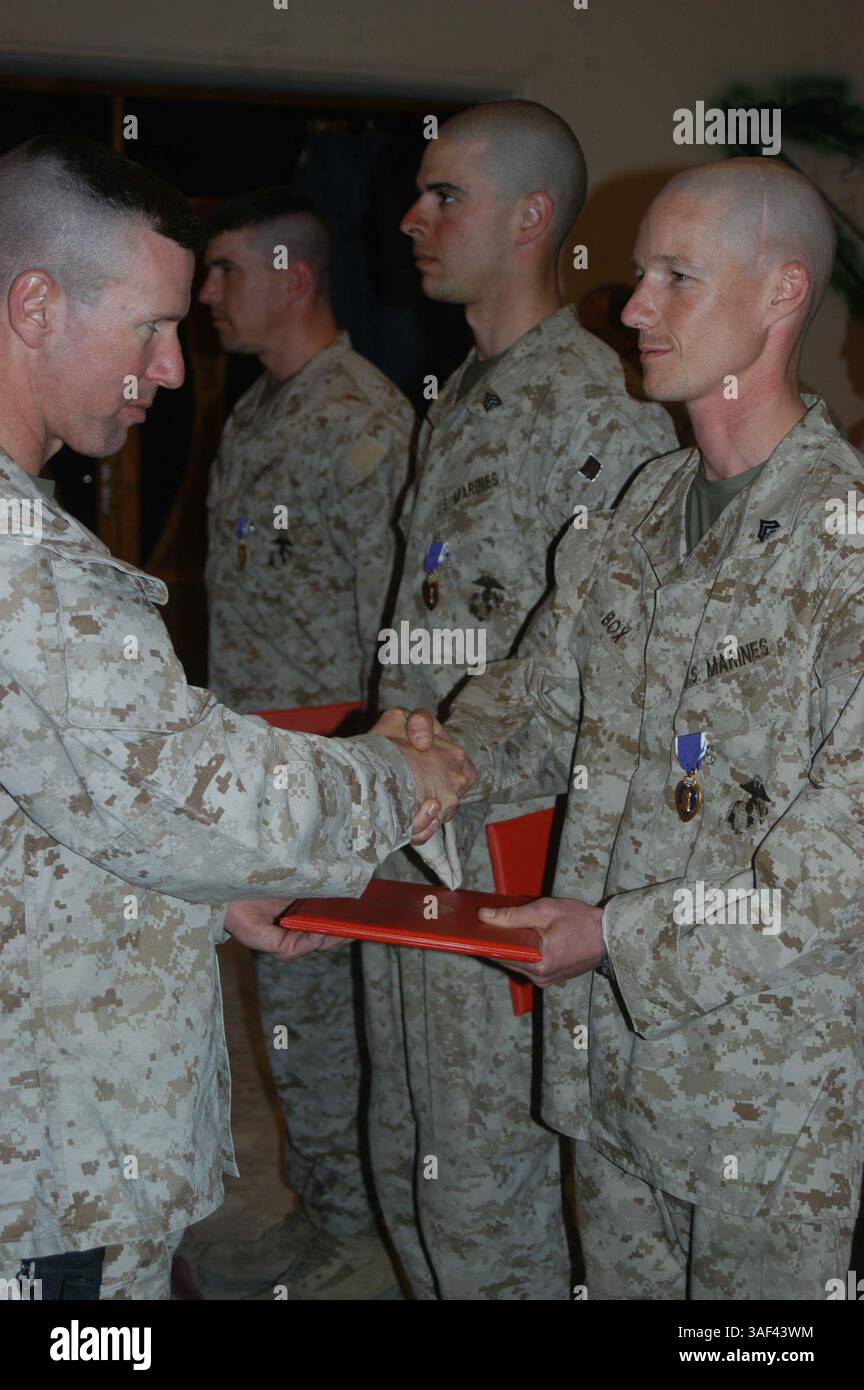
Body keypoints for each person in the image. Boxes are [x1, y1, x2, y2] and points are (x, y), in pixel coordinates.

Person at [0, 134, 468, 1301]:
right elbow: (185, 789)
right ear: (36, 304)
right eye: (150, 326)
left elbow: (52, 827)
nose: (168, 366)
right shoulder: (25, 572)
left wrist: (203, 892)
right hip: (53, 1181)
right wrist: (395, 777)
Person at [409, 156, 863, 1300]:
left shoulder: (844, 550)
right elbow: (535, 706)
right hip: (607, 1068)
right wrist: (413, 760)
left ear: (781, 295)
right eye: (637, 275)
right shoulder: (635, 519)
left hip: (764, 1102)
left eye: (675, 276)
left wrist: (612, 936)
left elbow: (830, 874)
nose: (635, 307)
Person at [364, 99, 677, 1300]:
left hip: (507, 843)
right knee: (411, 1134)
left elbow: (598, 666)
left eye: (447, 194)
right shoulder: (467, 394)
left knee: (491, 1168)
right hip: (415, 819)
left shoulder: (596, 405)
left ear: (533, 215)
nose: (412, 216)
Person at [200, 188, 415, 1296]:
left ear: (293, 275)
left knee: (333, 1019)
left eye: (227, 268)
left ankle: (362, 1237)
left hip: (330, 771)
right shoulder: (256, 412)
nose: (207, 294)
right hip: (262, 764)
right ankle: (325, 1207)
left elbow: (397, 625)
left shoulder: (365, 419)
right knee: (289, 1014)